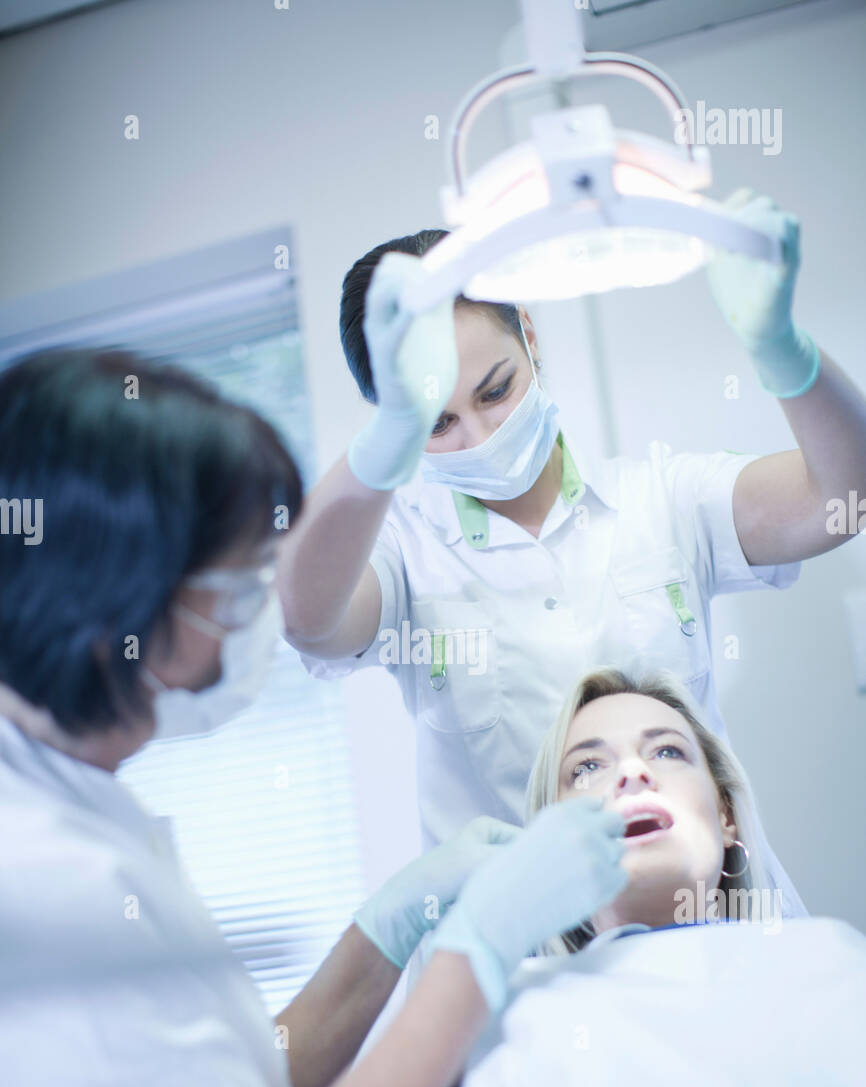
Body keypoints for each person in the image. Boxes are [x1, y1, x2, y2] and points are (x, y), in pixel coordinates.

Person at [0, 347, 634, 1087]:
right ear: (112, 609)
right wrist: (479, 948)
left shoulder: (75, 793)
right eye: (237, 594)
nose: (261, 623)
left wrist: (393, 927)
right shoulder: (46, 876)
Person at [277, 191, 866, 920]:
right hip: (533, 983)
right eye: (437, 424)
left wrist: (782, 347)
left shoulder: (663, 500)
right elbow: (307, 619)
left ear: (529, 334)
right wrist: (383, 444)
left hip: (727, 939)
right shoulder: (405, 560)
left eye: (497, 391)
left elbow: (845, 499)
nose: (481, 436)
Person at [362, 668, 866, 1087]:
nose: (632, 774)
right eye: (588, 770)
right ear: (553, 838)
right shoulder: (515, 1011)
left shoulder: (832, 955)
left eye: (667, 751)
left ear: (727, 814)